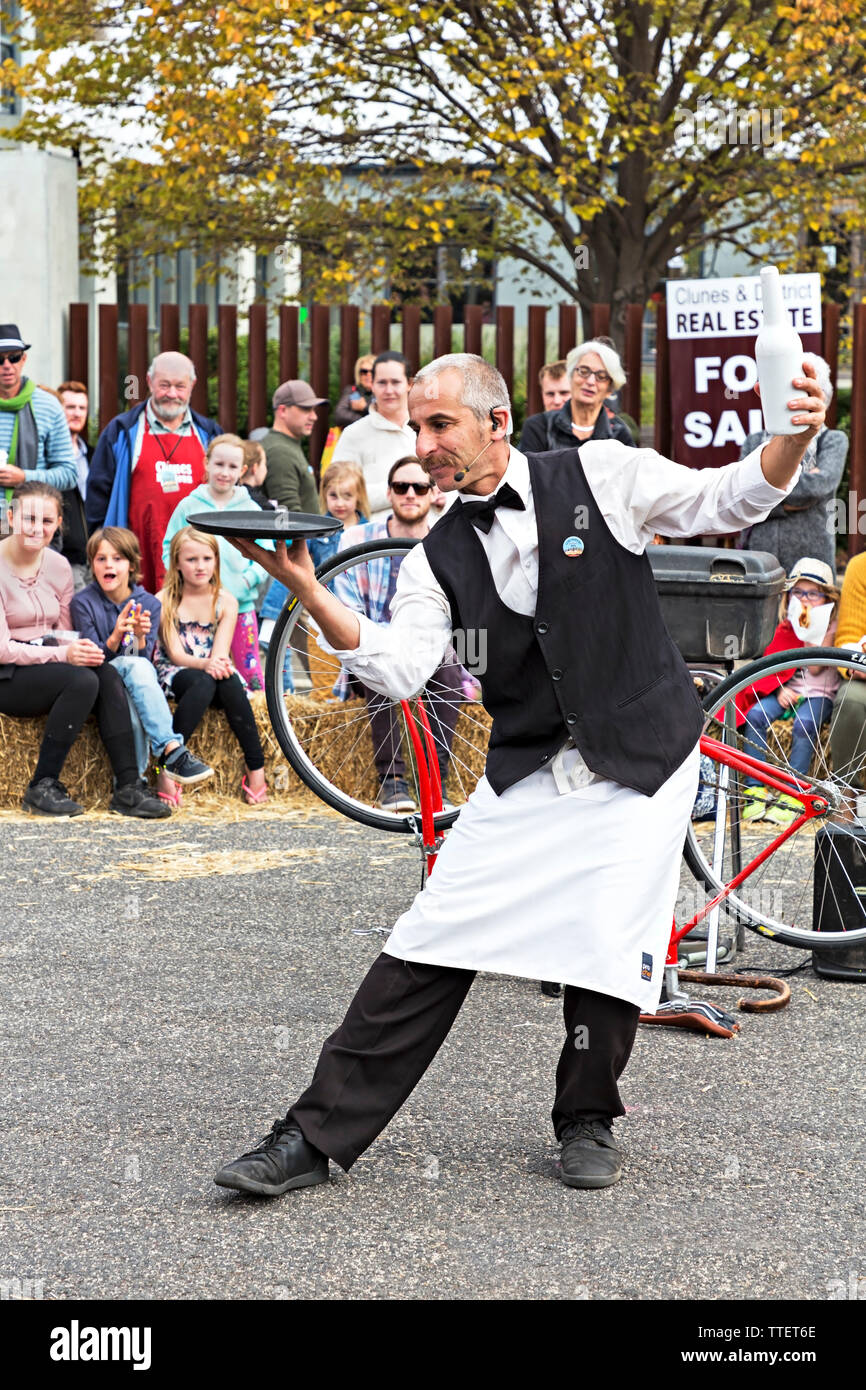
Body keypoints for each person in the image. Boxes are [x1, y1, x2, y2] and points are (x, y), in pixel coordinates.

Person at [215, 351, 824, 1198]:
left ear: (498, 423)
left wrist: (793, 435)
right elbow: (400, 669)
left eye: (440, 425)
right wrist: (312, 595)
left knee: (608, 943)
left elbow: (730, 496)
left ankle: (586, 1117)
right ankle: (312, 1137)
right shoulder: (436, 557)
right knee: (432, 930)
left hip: (643, 754)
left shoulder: (603, 474)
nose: (424, 444)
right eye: (416, 427)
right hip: (531, 766)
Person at [0, 481, 170, 818]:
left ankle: (129, 787)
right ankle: (42, 785)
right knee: (82, 681)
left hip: (45, 665)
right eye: (29, 518)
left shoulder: (59, 566)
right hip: (7, 673)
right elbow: (3, 650)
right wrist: (64, 654)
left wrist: (87, 650)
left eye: (47, 521)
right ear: (11, 517)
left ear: (60, 524)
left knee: (103, 672)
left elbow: (64, 633)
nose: (37, 528)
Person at [329, 456, 464, 812]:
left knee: (450, 669)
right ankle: (392, 782)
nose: (410, 494)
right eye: (401, 487)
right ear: (388, 493)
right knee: (382, 663)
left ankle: (437, 782)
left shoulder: (450, 541)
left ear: (433, 493)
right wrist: (381, 642)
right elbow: (342, 607)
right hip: (371, 643)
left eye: (419, 487)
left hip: (433, 650)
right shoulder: (356, 539)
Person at [70, 526, 214, 800]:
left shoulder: (147, 601)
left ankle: (132, 787)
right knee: (135, 671)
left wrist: (137, 638)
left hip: (133, 678)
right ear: (92, 564)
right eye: (101, 559)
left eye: (117, 558)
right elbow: (94, 659)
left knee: (136, 717)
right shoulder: (82, 602)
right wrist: (115, 637)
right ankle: (171, 749)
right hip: (98, 677)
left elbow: (139, 660)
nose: (109, 565)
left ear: (132, 564)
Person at [85, 351, 222, 593]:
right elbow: (98, 497)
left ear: (192, 385)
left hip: (197, 566)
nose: (172, 394)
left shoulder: (210, 435)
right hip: (137, 562)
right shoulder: (121, 431)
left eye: (180, 386)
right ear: (149, 382)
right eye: (164, 385)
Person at [155, 527, 268, 805]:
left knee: (227, 680)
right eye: (191, 560)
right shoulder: (164, 600)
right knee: (204, 680)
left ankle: (256, 767)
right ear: (177, 563)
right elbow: (177, 654)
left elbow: (220, 652)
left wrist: (214, 664)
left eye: (207, 558)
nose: (200, 566)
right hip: (177, 671)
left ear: (216, 560)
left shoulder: (225, 600)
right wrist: (209, 665)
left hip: (212, 668)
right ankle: (168, 766)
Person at [734, 557, 840, 827]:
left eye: (813, 594)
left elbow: (816, 668)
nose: (805, 599)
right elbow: (775, 665)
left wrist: (814, 632)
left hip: (819, 694)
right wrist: (779, 688)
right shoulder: (786, 624)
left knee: (805, 724)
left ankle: (794, 792)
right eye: (799, 592)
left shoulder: (832, 628)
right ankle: (755, 789)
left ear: (827, 598)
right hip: (788, 690)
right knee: (756, 714)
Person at [162, 434, 271, 691]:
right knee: (206, 671)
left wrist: (249, 580)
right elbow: (169, 548)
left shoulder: (250, 509)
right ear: (206, 464)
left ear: (243, 470)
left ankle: (256, 722)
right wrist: (181, 584)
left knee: (250, 670)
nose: (224, 472)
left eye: (233, 467)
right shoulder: (189, 506)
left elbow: (266, 553)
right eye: (219, 464)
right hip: (198, 611)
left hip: (241, 605)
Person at [738, 353, 847, 577]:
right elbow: (744, 494)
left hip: (812, 563)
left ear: (821, 396)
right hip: (760, 559)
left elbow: (818, 487)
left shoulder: (834, 440)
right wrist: (791, 498)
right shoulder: (753, 441)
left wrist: (766, 498)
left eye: (802, 392)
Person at [331, 351, 417, 519]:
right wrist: (402, 490)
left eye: (395, 382)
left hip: (428, 539)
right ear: (372, 385)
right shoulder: (353, 434)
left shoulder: (427, 429)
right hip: (375, 542)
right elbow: (339, 493)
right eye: (382, 383)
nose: (389, 390)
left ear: (409, 384)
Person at [0, 325, 77, 513]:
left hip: (30, 522)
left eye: (14, 357)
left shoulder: (48, 405)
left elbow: (69, 473)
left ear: (23, 359)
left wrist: (25, 477)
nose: (7, 365)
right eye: (0, 359)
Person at [518, 341, 636, 453]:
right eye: (584, 371)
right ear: (571, 377)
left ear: (610, 389)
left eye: (601, 376)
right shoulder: (539, 426)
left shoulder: (619, 434)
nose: (590, 381)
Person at [261, 380, 326, 514]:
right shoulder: (279, 451)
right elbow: (289, 516)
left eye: (314, 409)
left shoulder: (285, 444)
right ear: (283, 410)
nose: (314, 416)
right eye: (306, 409)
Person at [307, 460, 371, 570]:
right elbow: (295, 560)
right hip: (322, 587)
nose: (340, 504)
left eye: (347, 496)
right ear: (324, 494)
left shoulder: (369, 532)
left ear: (359, 496)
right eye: (333, 495)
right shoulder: (316, 529)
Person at [334, 355, 375, 428]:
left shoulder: (384, 392)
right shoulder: (351, 390)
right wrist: (364, 422)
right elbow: (339, 415)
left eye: (372, 371)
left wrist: (365, 407)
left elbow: (386, 415)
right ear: (358, 374)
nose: (368, 375)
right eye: (364, 371)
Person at [239, 439, 273, 511]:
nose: (266, 470)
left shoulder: (230, 495)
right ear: (255, 467)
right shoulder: (262, 504)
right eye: (264, 464)